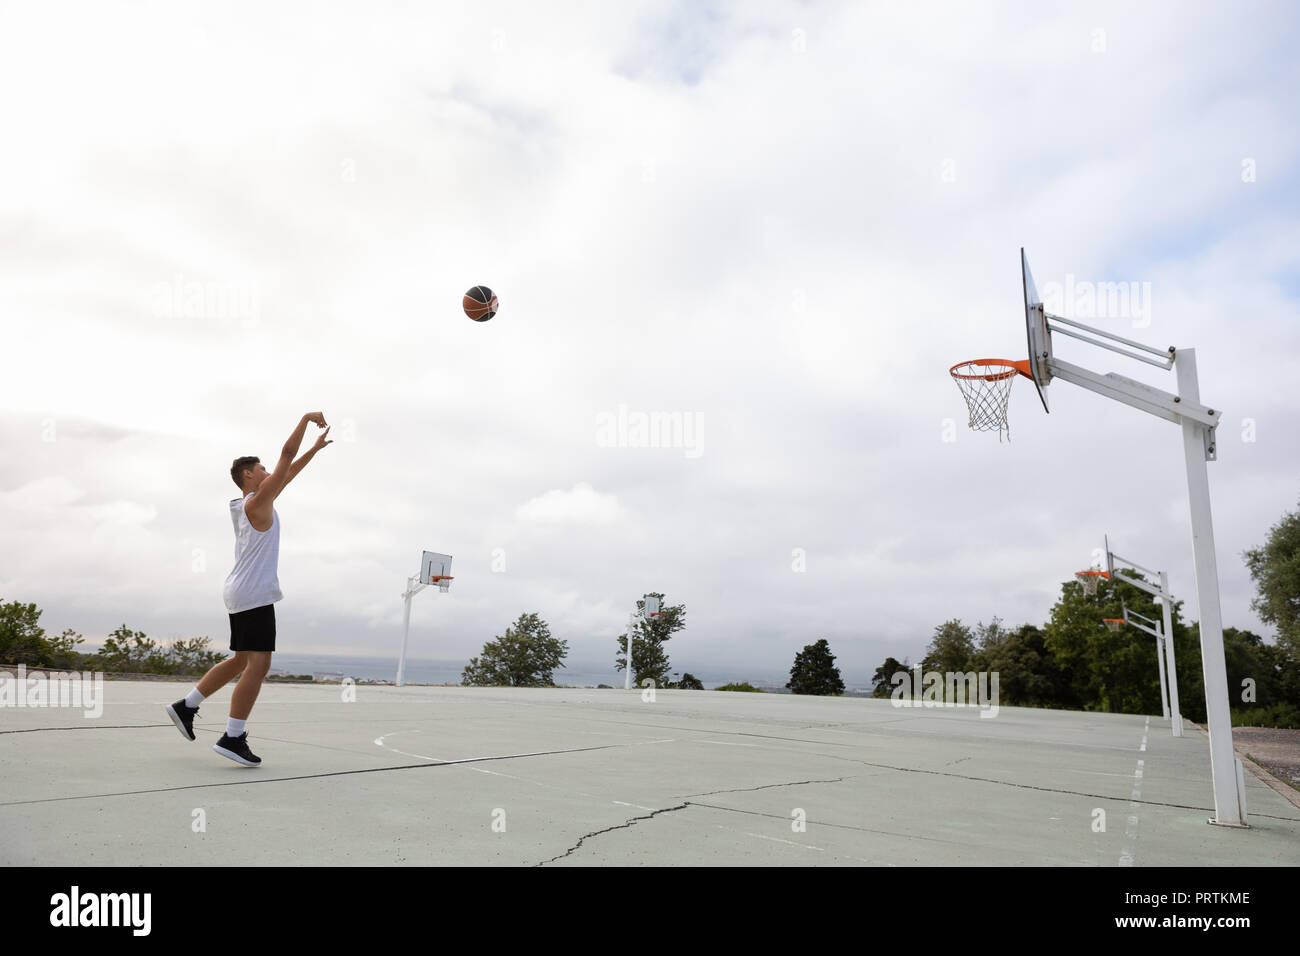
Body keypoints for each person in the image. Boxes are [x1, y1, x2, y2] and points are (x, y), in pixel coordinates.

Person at [165, 412, 332, 765]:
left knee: (242, 660)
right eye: (262, 468)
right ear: (247, 474)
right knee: (258, 664)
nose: (270, 471)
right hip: (253, 593)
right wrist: (304, 420)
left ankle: (186, 706)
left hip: (241, 591)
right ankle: (233, 736)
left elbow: (289, 470)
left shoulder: (251, 503)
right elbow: (286, 460)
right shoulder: (256, 503)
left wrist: (314, 450)